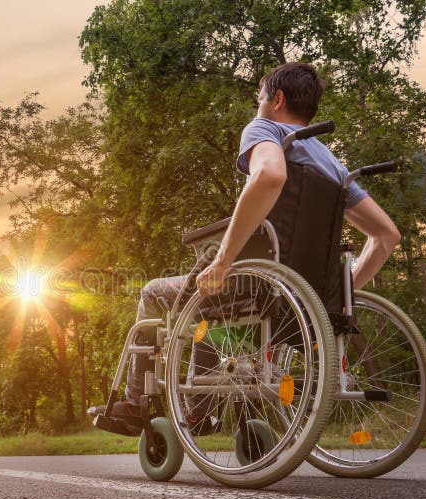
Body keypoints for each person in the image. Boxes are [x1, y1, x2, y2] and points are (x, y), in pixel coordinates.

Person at [90, 62, 401, 429]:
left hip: (258, 285)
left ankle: (135, 404)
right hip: (300, 298)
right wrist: (335, 298)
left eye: (259, 98)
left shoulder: (266, 129)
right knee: (209, 301)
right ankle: (199, 409)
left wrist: (222, 261)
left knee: (155, 292)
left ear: (277, 99)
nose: (258, 106)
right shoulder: (332, 163)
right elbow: (387, 236)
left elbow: (270, 175)